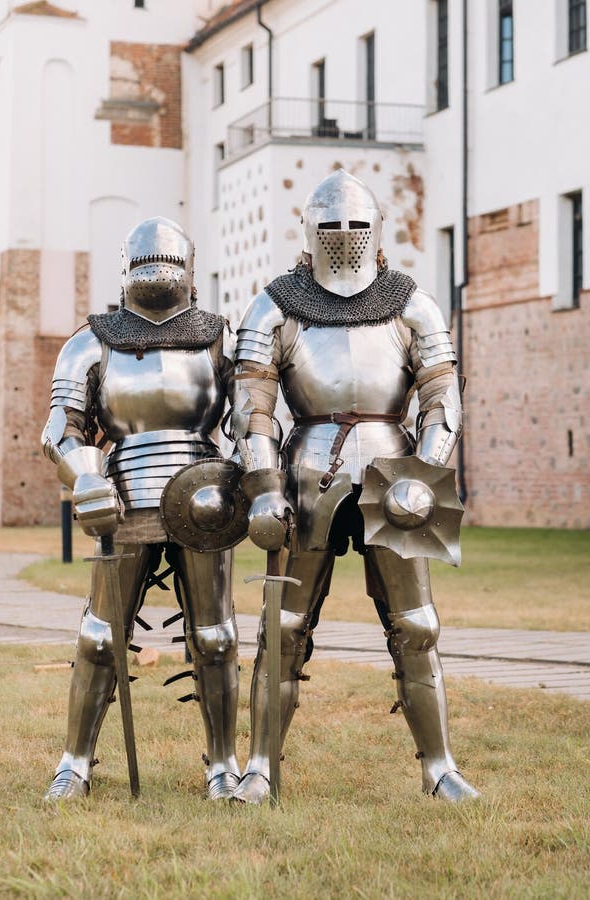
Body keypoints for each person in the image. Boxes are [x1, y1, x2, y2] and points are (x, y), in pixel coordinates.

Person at [231, 170, 479, 804]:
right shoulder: (275, 305)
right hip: (305, 473)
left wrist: (424, 473)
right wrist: (265, 484)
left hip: (395, 474)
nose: (344, 236)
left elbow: (443, 400)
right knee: (283, 629)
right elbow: (252, 406)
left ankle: (440, 767)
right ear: (309, 232)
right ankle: (259, 766)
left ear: (377, 230)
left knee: (416, 626)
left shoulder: (411, 304)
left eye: (356, 225)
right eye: (331, 226)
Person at [41, 217, 241, 800]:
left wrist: (250, 471)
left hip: (206, 493)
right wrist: (86, 475)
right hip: (123, 492)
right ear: (125, 268)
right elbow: (61, 428)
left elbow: (251, 415)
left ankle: (223, 764)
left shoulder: (218, 338)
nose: (159, 270)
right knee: (100, 636)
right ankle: (75, 763)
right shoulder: (91, 341)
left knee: (215, 637)